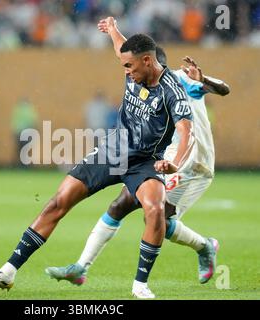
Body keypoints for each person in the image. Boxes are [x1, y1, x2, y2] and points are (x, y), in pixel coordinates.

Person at [0, 20, 195, 299]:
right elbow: (120, 49)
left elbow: (186, 132)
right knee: (58, 202)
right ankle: (8, 271)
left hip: (145, 161)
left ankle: (140, 284)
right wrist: (113, 29)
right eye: (124, 66)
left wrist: (175, 161)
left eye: (129, 67)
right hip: (113, 150)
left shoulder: (172, 91)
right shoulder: (132, 63)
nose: (126, 72)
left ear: (147, 60)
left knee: (154, 209)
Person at [45, 18, 230, 295]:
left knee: (158, 221)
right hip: (160, 160)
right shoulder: (143, 83)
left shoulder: (180, 81)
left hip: (192, 166)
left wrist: (203, 79)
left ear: (152, 64)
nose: (131, 74)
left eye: (135, 67)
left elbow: (224, 89)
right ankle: (81, 267)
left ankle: (205, 246)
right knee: (119, 204)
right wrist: (112, 30)